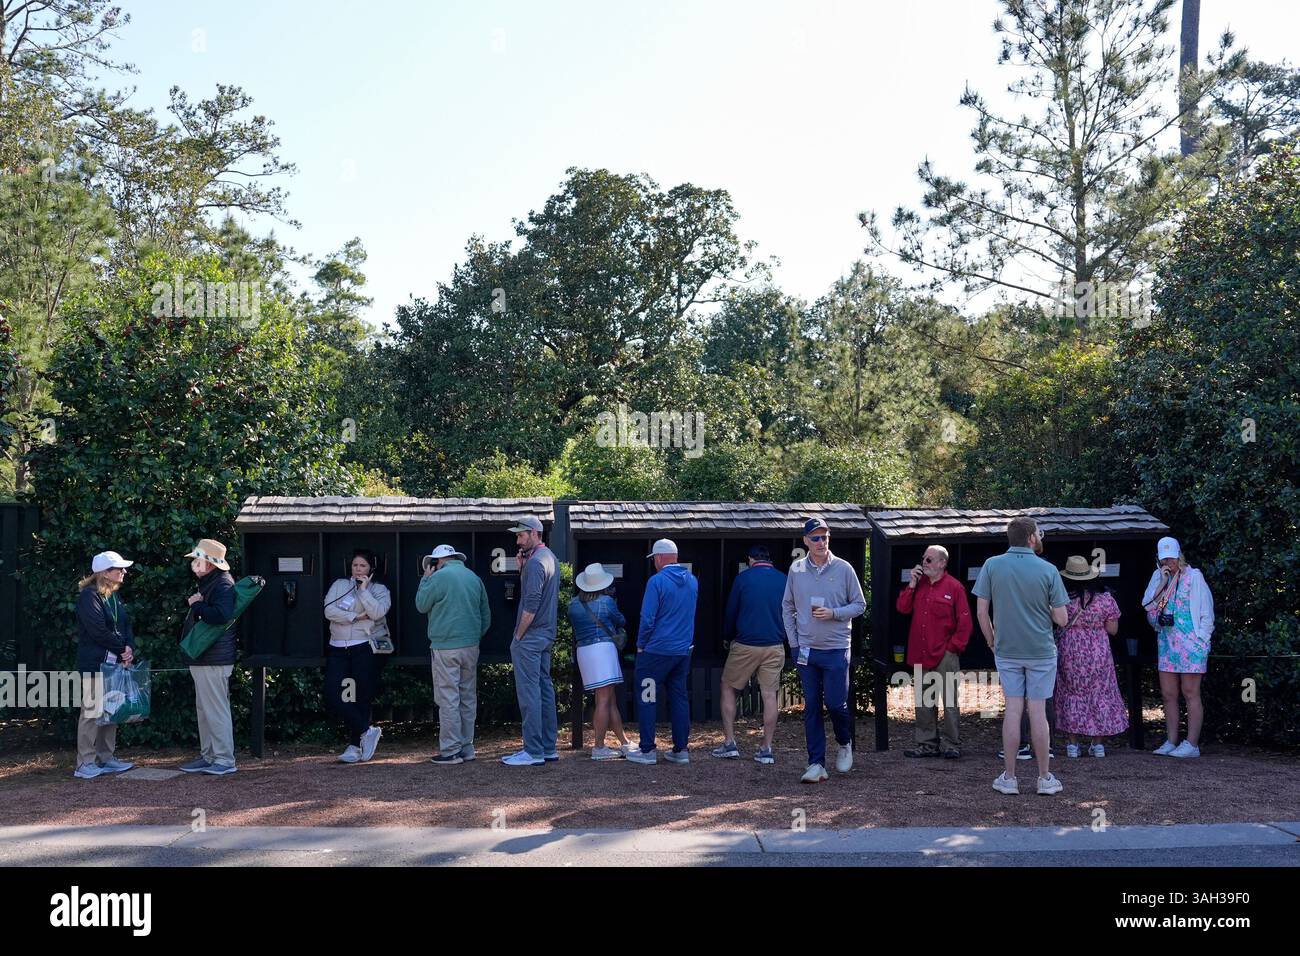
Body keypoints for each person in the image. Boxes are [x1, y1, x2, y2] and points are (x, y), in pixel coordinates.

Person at [973, 516, 1070, 796]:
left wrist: (991, 640)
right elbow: (1062, 619)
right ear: (1030, 538)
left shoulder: (992, 565)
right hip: (1040, 650)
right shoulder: (1048, 569)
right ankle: (1044, 777)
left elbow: (981, 612)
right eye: (1038, 534)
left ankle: (1010, 778)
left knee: (1013, 711)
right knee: (1038, 712)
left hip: (1007, 650)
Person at [782, 517, 867, 784]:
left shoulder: (844, 568)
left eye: (825, 537)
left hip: (836, 648)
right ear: (805, 541)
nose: (821, 542)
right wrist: (794, 644)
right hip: (806, 650)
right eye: (816, 538)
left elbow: (860, 605)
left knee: (835, 703)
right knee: (812, 707)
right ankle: (816, 763)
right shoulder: (796, 570)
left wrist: (834, 613)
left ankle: (844, 742)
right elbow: (787, 607)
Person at [416, 544, 490, 765]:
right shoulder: (474, 578)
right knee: (467, 697)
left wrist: (425, 579)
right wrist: (474, 636)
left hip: (445, 645)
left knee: (448, 698)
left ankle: (450, 750)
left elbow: (421, 605)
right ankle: (467, 747)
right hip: (471, 646)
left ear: (437, 562)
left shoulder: (438, 578)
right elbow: (485, 615)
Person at [896, 544, 972, 759]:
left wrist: (953, 648)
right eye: (923, 559)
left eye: (929, 560)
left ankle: (951, 744)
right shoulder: (919, 585)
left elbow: (965, 623)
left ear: (942, 563)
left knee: (949, 701)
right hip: (920, 651)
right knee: (923, 701)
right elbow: (902, 608)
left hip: (945, 653)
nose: (924, 563)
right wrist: (911, 583)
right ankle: (927, 743)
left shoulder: (954, 587)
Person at [712, 545, 786, 765]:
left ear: (750, 560)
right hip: (774, 644)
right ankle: (766, 748)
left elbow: (731, 611)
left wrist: (727, 636)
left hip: (745, 643)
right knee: (769, 695)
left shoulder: (743, 579)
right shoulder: (783, 579)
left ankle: (730, 742)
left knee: (728, 687)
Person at [627, 539, 699, 765]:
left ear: (658, 558)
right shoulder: (692, 581)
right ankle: (681, 749)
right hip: (682, 651)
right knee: (679, 697)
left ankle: (647, 749)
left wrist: (641, 644)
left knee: (648, 697)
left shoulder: (656, 581)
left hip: (655, 651)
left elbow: (647, 618)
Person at [1142, 536, 1214, 759]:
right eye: (1164, 559)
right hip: (1167, 643)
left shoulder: (1194, 577)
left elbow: (1206, 612)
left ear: (1179, 555)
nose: (1168, 563)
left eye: (1172, 559)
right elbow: (1147, 605)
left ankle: (1191, 744)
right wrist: (1162, 583)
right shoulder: (1158, 577)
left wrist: (1202, 639)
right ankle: (1171, 741)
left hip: (1191, 644)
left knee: (1190, 692)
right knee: (1168, 694)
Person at [1054, 556, 1127, 757]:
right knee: (1100, 694)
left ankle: (1072, 744)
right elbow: (1113, 630)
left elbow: (1057, 622)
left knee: (1071, 694)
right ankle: (1098, 744)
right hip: (1098, 653)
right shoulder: (1105, 600)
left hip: (1070, 652)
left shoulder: (1063, 600)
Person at [322, 549, 391, 763]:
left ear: (371, 569)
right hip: (337, 647)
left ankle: (354, 745)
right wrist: (355, 617)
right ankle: (366, 731)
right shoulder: (339, 585)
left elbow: (378, 612)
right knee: (333, 695)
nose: (358, 569)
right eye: (355, 566)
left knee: (362, 696)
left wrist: (363, 591)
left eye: (363, 566)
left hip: (364, 646)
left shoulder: (379, 589)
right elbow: (328, 611)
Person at [73, 551, 137, 779]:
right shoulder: (88, 597)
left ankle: (106, 757)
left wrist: (128, 648)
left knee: (111, 710)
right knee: (91, 712)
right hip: (95, 663)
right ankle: (84, 763)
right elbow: (98, 630)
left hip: (114, 663)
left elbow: (126, 625)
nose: (124, 572)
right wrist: (123, 650)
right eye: (119, 569)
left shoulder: (113, 596)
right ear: (104, 573)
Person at [502, 516, 560, 766]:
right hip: (545, 634)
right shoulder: (549, 558)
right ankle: (547, 748)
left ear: (535, 534)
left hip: (530, 636)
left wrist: (518, 636)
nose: (517, 540)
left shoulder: (536, 563)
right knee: (544, 690)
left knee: (529, 694)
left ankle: (533, 751)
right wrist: (521, 570)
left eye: (521, 535)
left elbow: (531, 603)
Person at [178, 538, 239, 775]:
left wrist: (197, 605)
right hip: (208, 657)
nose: (194, 563)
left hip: (214, 657)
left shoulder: (222, 584)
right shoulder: (214, 582)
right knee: (206, 709)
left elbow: (221, 615)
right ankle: (210, 755)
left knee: (215, 709)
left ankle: (223, 759)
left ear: (210, 563)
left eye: (197, 559)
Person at [567, 562, 637, 760]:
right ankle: (598, 747)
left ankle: (623, 741)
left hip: (584, 651)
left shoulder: (573, 604)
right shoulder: (607, 602)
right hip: (603, 650)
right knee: (605, 700)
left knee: (607, 699)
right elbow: (621, 621)